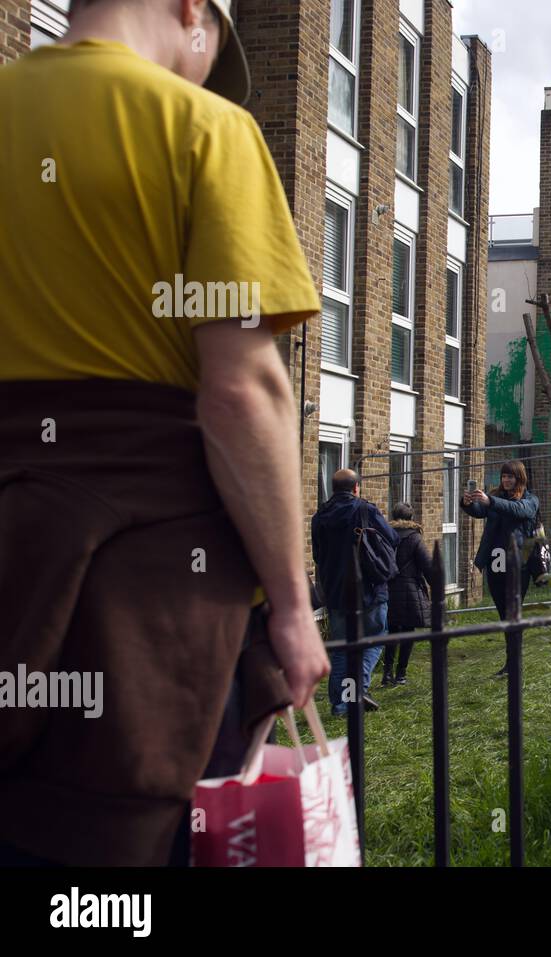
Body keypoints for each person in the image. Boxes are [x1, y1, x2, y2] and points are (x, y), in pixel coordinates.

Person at [0, 0, 330, 866]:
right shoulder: (204, 131)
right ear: (193, 11)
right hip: (150, 621)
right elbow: (240, 394)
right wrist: (294, 608)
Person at [313, 469, 398, 715]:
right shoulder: (365, 510)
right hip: (369, 588)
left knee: (341, 647)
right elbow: (391, 538)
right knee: (376, 636)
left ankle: (341, 704)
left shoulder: (320, 516)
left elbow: (318, 555)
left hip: (337, 591)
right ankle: (358, 690)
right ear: (356, 488)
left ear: (333, 488)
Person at [461, 461, 540, 676]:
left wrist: (491, 500)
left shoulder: (530, 500)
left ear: (519, 478)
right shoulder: (496, 496)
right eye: (504, 476)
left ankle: (514, 662)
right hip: (496, 561)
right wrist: (467, 502)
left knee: (513, 612)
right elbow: (479, 511)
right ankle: (511, 662)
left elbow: (519, 510)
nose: (506, 480)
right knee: (504, 614)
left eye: (510, 477)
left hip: (518, 563)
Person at [382, 502, 436, 687]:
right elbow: (428, 565)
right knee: (407, 632)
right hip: (409, 589)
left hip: (388, 589)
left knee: (391, 632)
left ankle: (386, 673)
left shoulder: (385, 536)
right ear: (411, 518)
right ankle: (401, 674)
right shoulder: (415, 538)